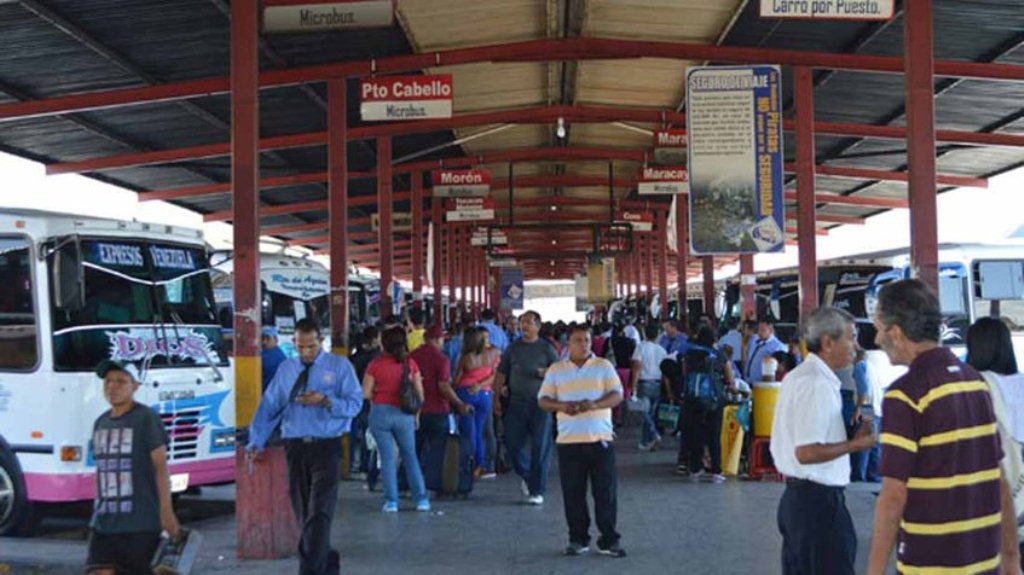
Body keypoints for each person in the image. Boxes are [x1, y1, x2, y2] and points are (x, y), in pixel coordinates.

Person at [867, 280, 1021, 575]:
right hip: (983, 563)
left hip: (931, 565)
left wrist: (873, 571)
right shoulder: (973, 381)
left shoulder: (906, 393)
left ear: (896, 333)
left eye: (879, 328)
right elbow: (998, 478)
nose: (876, 339)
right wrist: (1011, 559)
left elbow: (893, 495)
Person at [246, 319, 364, 575]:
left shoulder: (339, 366)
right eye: (300, 347)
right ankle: (328, 562)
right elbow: (269, 406)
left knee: (320, 512)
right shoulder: (286, 369)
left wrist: (325, 401)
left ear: (321, 341)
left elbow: (355, 404)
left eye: (310, 346)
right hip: (296, 447)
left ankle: (309, 570)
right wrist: (256, 441)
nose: (306, 352)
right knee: (304, 515)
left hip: (327, 446)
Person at [771, 307, 877, 575]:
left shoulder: (803, 376)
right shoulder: (816, 383)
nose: (856, 346)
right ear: (828, 342)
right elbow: (806, 453)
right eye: (851, 338)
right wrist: (856, 446)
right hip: (816, 504)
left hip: (802, 501)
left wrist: (851, 436)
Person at [538, 324, 626, 558]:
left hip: (600, 440)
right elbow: (543, 400)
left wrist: (595, 404)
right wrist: (562, 406)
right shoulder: (557, 370)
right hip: (569, 442)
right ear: (569, 343)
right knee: (573, 493)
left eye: (587, 340)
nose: (584, 344)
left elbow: (617, 395)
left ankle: (609, 539)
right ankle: (578, 538)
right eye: (578, 340)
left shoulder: (603, 366)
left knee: (605, 493)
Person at [86, 360, 180, 575]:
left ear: (135, 386)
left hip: (140, 522)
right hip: (104, 521)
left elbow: (160, 468)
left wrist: (166, 512)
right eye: (108, 381)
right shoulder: (101, 422)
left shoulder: (146, 418)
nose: (113, 387)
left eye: (121, 381)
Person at [494, 310, 559, 505]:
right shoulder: (512, 349)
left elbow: (560, 373)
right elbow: (500, 374)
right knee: (513, 445)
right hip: (516, 403)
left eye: (529, 323)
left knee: (541, 447)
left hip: (541, 404)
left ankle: (537, 490)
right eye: (522, 322)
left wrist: (547, 372)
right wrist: (497, 397)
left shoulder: (547, 349)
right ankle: (528, 475)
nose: (524, 326)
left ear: (538, 326)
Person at [362, 327, 430, 513]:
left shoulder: (375, 365)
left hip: (380, 414)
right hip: (404, 415)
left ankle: (391, 501)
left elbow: (365, 393)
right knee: (410, 456)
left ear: (383, 343)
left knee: (387, 458)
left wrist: (378, 392)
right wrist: (416, 416)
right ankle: (421, 499)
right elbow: (419, 395)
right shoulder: (410, 364)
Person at [677, 325, 728, 483]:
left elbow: (685, 374)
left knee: (695, 434)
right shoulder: (718, 354)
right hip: (713, 401)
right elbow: (730, 377)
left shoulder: (690, 353)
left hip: (693, 400)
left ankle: (695, 469)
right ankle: (716, 472)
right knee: (714, 434)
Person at [410, 324, 465, 469]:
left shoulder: (411, 356)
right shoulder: (441, 359)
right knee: (439, 450)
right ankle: (435, 481)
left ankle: (408, 481)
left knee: (413, 450)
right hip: (438, 409)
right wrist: (458, 403)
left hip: (414, 410)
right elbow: (443, 386)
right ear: (437, 339)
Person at [454, 327, 500, 478]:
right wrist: (481, 385)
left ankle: (469, 464)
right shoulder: (492, 354)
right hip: (485, 395)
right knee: (480, 432)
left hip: (466, 393)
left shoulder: (466, 357)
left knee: (468, 432)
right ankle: (480, 465)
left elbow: (457, 378)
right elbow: (495, 376)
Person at [349, 326, 381, 475]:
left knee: (356, 433)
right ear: (374, 339)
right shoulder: (377, 358)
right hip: (371, 400)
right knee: (370, 436)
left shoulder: (354, 358)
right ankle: (368, 466)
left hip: (353, 400)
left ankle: (351, 464)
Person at [631, 323, 668, 451]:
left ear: (645, 333)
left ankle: (653, 434)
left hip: (644, 383)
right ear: (657, 335)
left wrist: (633, 386)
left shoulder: (640, 348)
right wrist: (668, 390)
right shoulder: (662, 350)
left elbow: (637, 368)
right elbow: (665, 372)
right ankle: (645, 442)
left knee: (644, 413)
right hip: (657, 384)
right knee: (651, 414)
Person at [261, 326, 288, 391]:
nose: (264, 342)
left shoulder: (269, 356)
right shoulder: (281, 354)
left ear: (276, 340)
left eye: (268, 339)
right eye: (262, 339)